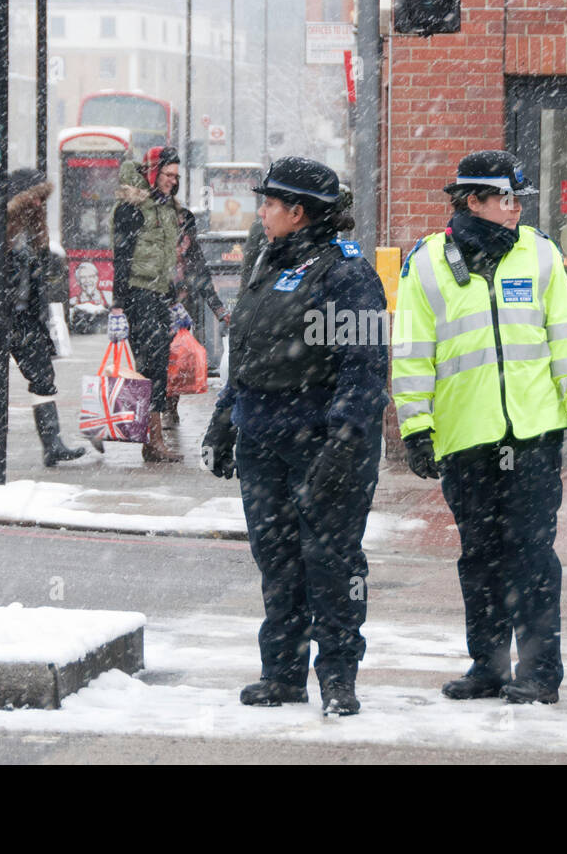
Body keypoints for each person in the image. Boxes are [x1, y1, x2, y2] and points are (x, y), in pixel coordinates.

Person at [391, 150, 567, 705]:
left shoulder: (541, 254)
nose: (516, 209)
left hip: (533, 436)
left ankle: (538, 673)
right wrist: (416, 427)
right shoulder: (428, 263)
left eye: (518, 199)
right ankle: (487, 667)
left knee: (533, 556)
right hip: (467, 440)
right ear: (473, 201)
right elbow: (412, 353)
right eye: (506, 198)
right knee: (479, 558)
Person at [201, 157, 388, 717]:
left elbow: (366, 364)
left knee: (331, 565)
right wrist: (224, 417)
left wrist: (347, 440)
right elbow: (248, 351)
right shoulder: (267, 257)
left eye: (270, 204)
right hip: (262, 438)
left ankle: (337, 678)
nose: (261, 211)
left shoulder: (347, 271)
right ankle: (281, 675)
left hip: (321, 445)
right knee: (277, 560)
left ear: (299, 213)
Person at [5, 168, 87, 468]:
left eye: (43, 199)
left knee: (42, 375)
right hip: (2, 316)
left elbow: (38, 276)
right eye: (35, 198)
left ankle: (52, 444)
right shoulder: (1, 229)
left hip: (26, 316)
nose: (40, 205)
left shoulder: (34, 230)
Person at [112, 146, 183, 462]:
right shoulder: (133, 207)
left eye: (176, 176)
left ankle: (150, 439)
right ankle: (152, 440)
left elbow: (165, 257)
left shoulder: (164, 207)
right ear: (154, 173)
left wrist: (172, 298)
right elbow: (122, 255)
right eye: (168, 174)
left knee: (157, 364)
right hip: (138, 293)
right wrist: (117, 305)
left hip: (157, 294)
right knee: (150, 363)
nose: (173, 181)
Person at [163, 210, 231, 429]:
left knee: (177, 361)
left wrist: (220, 310)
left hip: (182, 315)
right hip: (158, 309)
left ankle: (169, 408)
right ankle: (160, 409)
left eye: (184, 227)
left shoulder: (192, 250)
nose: (181, 233)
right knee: (159, 362)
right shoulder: (160, 246)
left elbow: (204, 282)